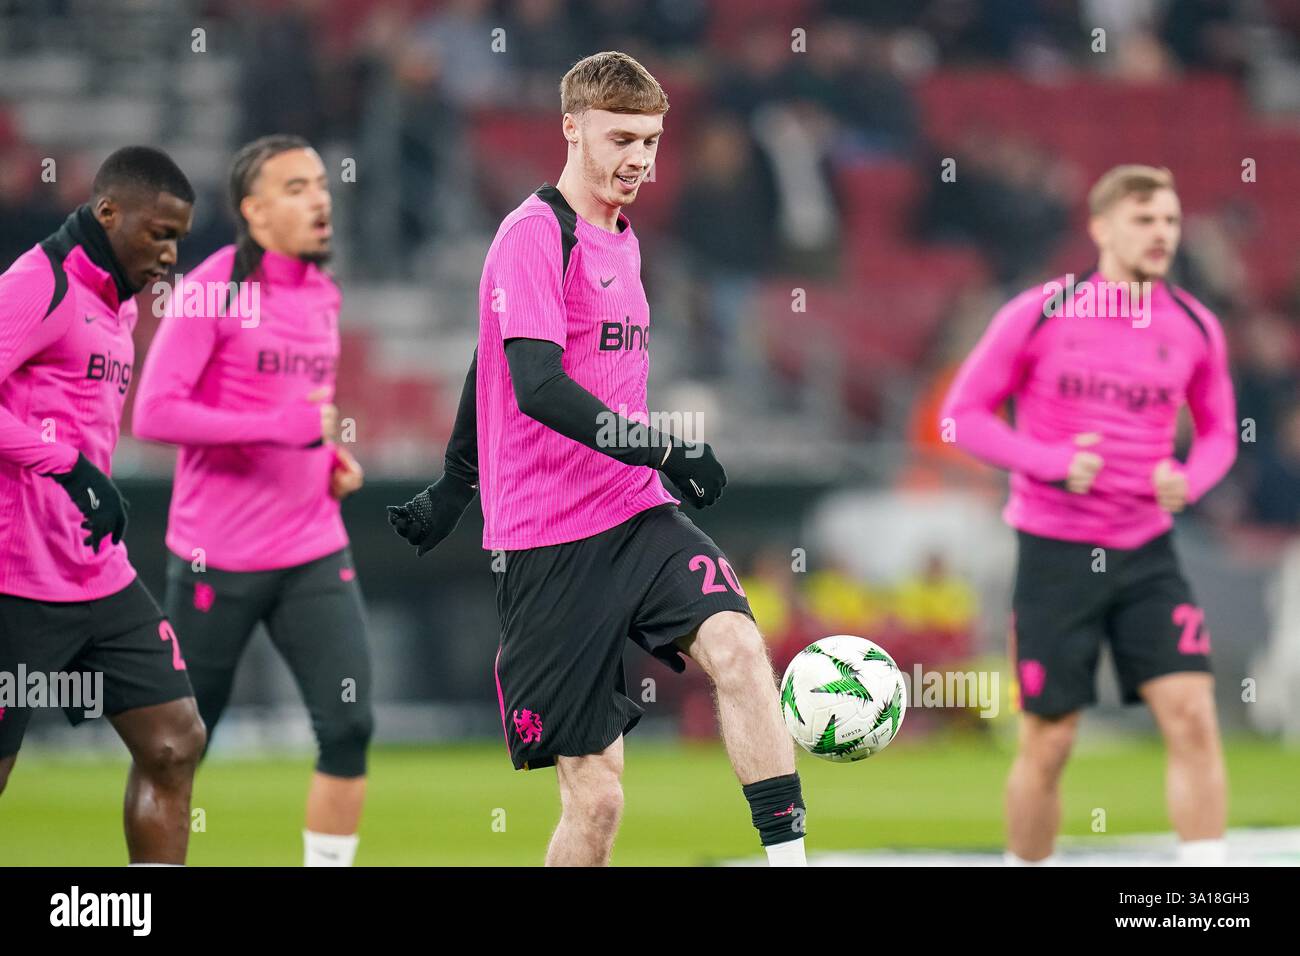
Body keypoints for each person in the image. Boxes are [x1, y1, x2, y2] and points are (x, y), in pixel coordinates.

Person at [389, 51, 807, 866]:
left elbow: (490, 354)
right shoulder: (533, 233)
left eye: (650, 143)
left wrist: (454, 479)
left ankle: (788, 860)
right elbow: (532, 381)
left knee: (740, 651)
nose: (638, 161)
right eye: (621, 139)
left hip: (636, 512)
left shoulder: (623, 237)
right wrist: (662, 445)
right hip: (547, 541)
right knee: (598, 801)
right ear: (571, 127)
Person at [941, 165, 1238, 865]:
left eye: (1169, 220)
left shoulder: (1196, 324)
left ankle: (1208, 891)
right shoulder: (1039, 312)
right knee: (1051, 739)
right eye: (1144, 219)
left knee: (1194, 717)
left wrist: (1189, 480)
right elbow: (962, 416)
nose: (1161, 233)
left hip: (1148, 553)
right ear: (1101, 228)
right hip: (1055, 551)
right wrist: (1047, 461)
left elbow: (1223, 430)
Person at [132, 135, 371, 867]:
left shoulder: (324, 293)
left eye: (321, 183)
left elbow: (307, 409)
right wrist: (282, 430)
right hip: (217, 556)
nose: (320, 197)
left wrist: (330, 457)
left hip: (312, 545)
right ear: (255, 210)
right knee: (176, 745)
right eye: (296, 187)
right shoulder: (209, 288)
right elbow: (153, 415)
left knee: (349, 724)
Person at [0, 146, 204, 864]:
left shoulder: (112, 305)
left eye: (179, 238)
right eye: (160, 234)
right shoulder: (38, 283)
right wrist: (66, 465)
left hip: (94, 572)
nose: (171, 254)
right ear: (107, 211)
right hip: (14, 576)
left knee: (175, 739)